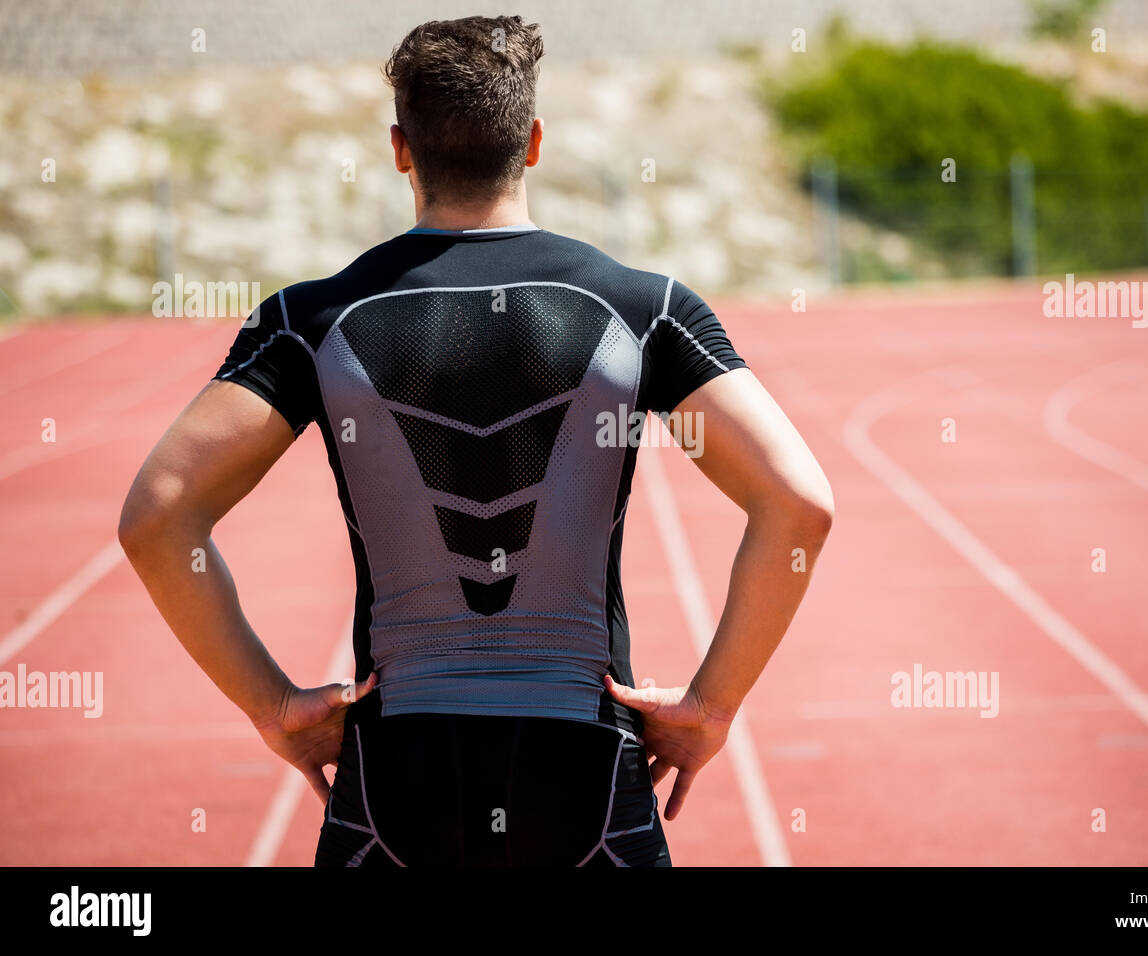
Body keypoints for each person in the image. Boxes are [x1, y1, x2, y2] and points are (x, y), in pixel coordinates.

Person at [118, 14, 833, 867]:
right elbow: (798, 503)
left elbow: (158, 516)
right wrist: (712, 707)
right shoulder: (645, 311)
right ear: (532, 142)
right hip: (589, 775)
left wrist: (272, 707)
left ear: (399, 148)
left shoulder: (312, 319)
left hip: (393, 776)